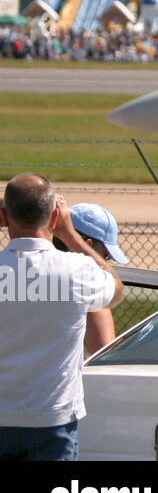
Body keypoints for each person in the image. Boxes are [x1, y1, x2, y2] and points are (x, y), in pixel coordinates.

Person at [0, 174, 123, 460]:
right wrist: (70, 235)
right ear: (55, 216)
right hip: (53, 422)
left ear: (4, 217)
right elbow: (115, 291)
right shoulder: (77, 270)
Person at [70, 204, 129, 356]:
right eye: (106, 256)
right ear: (86, 247)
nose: (105, 263)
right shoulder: (89, 290)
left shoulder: (24, 272)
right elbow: (104, 356)